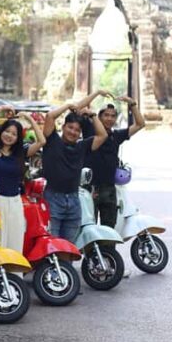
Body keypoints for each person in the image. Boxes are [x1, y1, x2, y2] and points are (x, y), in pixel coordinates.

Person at [42, 94, 109, 243]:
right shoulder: (51, 140)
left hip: (74, 200)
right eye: (70, 127)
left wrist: (92, 115)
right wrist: (67, 106)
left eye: (77, 130)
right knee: (52, 244)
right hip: (53, 198)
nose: (73, 132)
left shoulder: (82, 146)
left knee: (69, 246)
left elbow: (102, 135)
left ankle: (66, 267)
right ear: (63, 127)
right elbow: (50, 117)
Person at [0, 107, 45, 252]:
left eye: (14, 134)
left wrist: (29, 118)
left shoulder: (21, 153)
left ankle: (13, 275)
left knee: (15, 240)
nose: (9, 136)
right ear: (0, 131)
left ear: (18, 137)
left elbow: (42, 141)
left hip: (15, 202)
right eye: (7, 131)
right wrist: (0, 109)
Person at [85, 95, 145, 228]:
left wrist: (132, 103)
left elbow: (140, 124)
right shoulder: (89, 131)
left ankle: (108, 250)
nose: (109, 118)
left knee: (110, 229)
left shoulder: (116, 136)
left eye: (113, 116)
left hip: (109, 188)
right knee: (89, 229)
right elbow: (79, 107)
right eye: (106, 115)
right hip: (90, 188)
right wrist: (97, 93)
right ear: (99, 116)